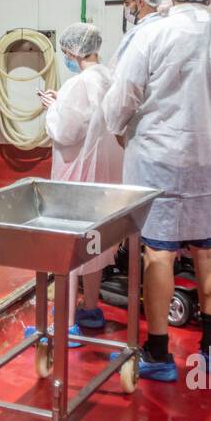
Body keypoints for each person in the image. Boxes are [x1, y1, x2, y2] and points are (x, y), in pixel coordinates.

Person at [103, 0, 211, 379]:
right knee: (209, 249)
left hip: (158, 159)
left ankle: (158, 350)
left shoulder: (154, 33)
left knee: (160, 253)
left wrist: (117, 128)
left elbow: (124, 93)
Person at [37, 22, 124, 338]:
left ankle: (66, 321)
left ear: (73, 51)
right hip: (105, 178)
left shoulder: (79, 84)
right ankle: (90, 307)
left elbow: (65, 130)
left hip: (77, 176)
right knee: (95, 244)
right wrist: (63, 101)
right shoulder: (109, 77)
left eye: (64, 52)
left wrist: (53, 108)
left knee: (69, 247)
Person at [108, 0, 165, 67]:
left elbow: (120, 70)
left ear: (140, 1)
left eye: (127, 3)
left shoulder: (137, 34)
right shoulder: (167, 26)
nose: (126, 7)